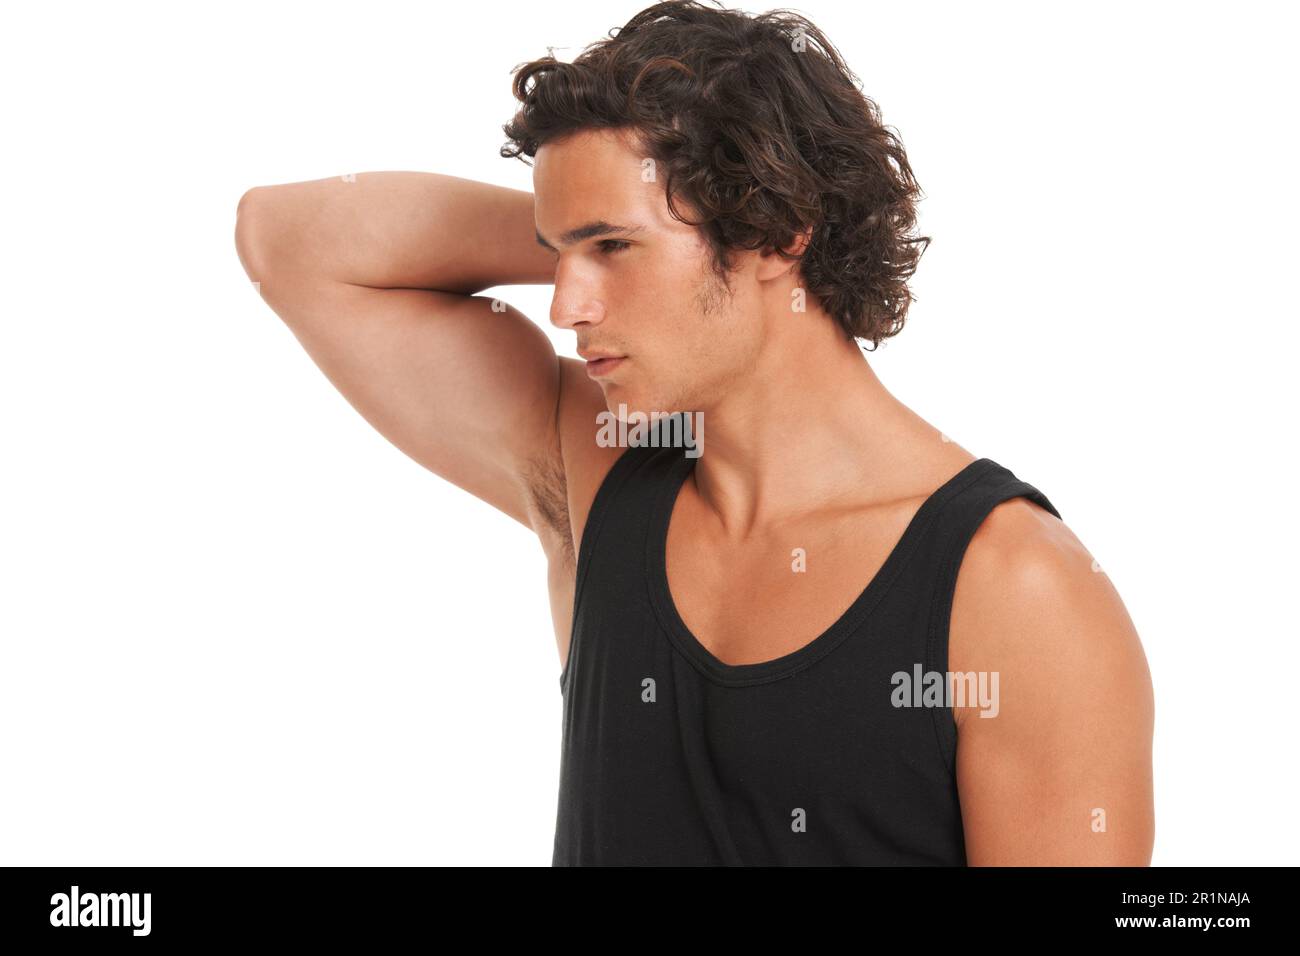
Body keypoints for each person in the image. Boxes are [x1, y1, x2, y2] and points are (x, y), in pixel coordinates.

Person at [234, 0, 1154, 865]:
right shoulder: (598, 479)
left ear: (775, 231)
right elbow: (285, 242)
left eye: (611, 250)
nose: (563, 305)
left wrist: (659, 212)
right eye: (562, 257)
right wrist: (587, 218)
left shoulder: (1016, 589)